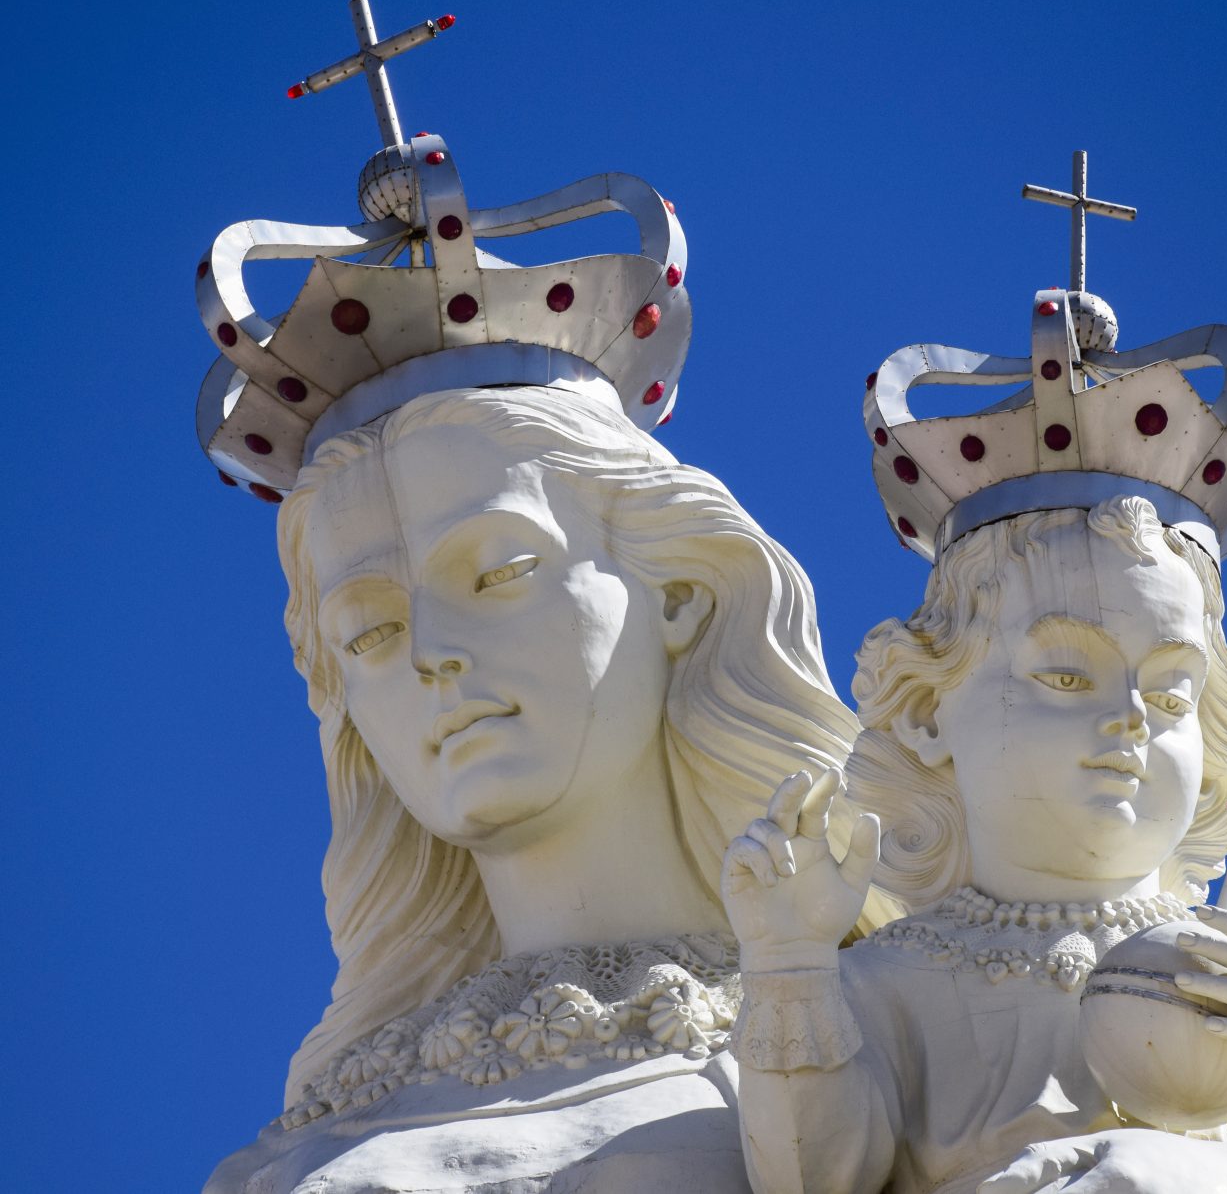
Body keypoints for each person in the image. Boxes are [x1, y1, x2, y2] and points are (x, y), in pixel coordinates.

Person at [206, 385, 893, 1194]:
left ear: (680, 596)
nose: (429, 651)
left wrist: (792, 973)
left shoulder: (897, 1030)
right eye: (370, 632)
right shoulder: (291, 1150)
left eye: (500, 572)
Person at [722, 495, 1227, 1194]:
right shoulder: (881, 982)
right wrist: (789, 963)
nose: (1131, 716)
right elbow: (811, 1180)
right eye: (1068, 677)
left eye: (1169, 695)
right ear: (928, 710)